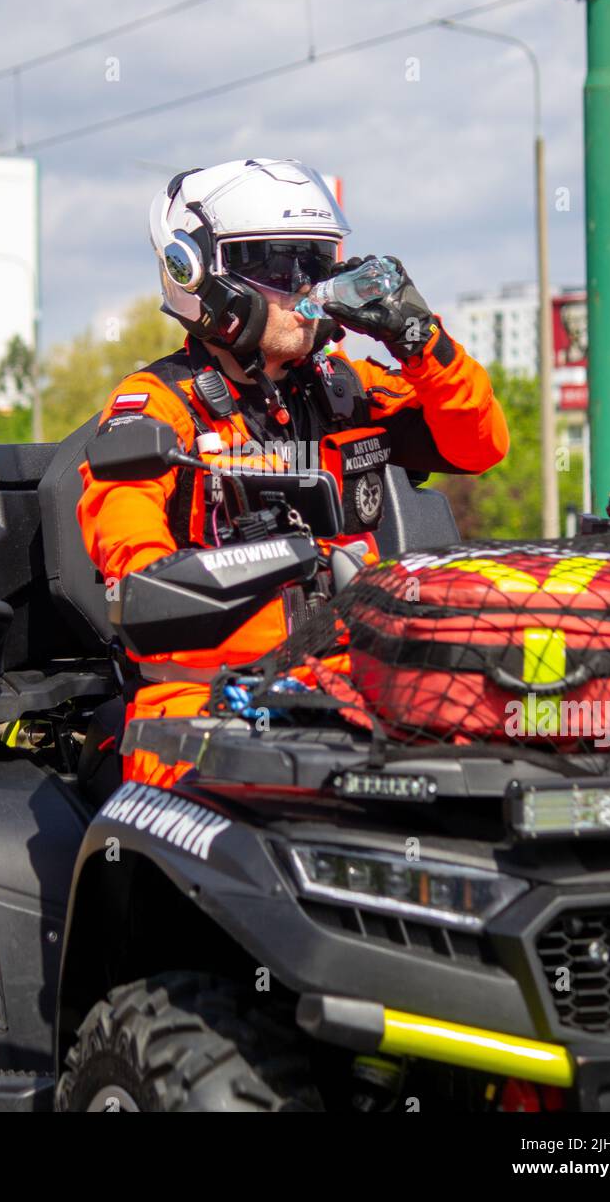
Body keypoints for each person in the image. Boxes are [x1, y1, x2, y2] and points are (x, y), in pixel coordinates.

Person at [78, 158, 509, 784]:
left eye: (318, 263)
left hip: (353, 693)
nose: (305, 285)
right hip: (206, 712)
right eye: (276, 265)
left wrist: (420, 340)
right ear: (194, 272)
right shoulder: (158, 404)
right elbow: (130, 553)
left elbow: (478, 445)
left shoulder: (345, 386)